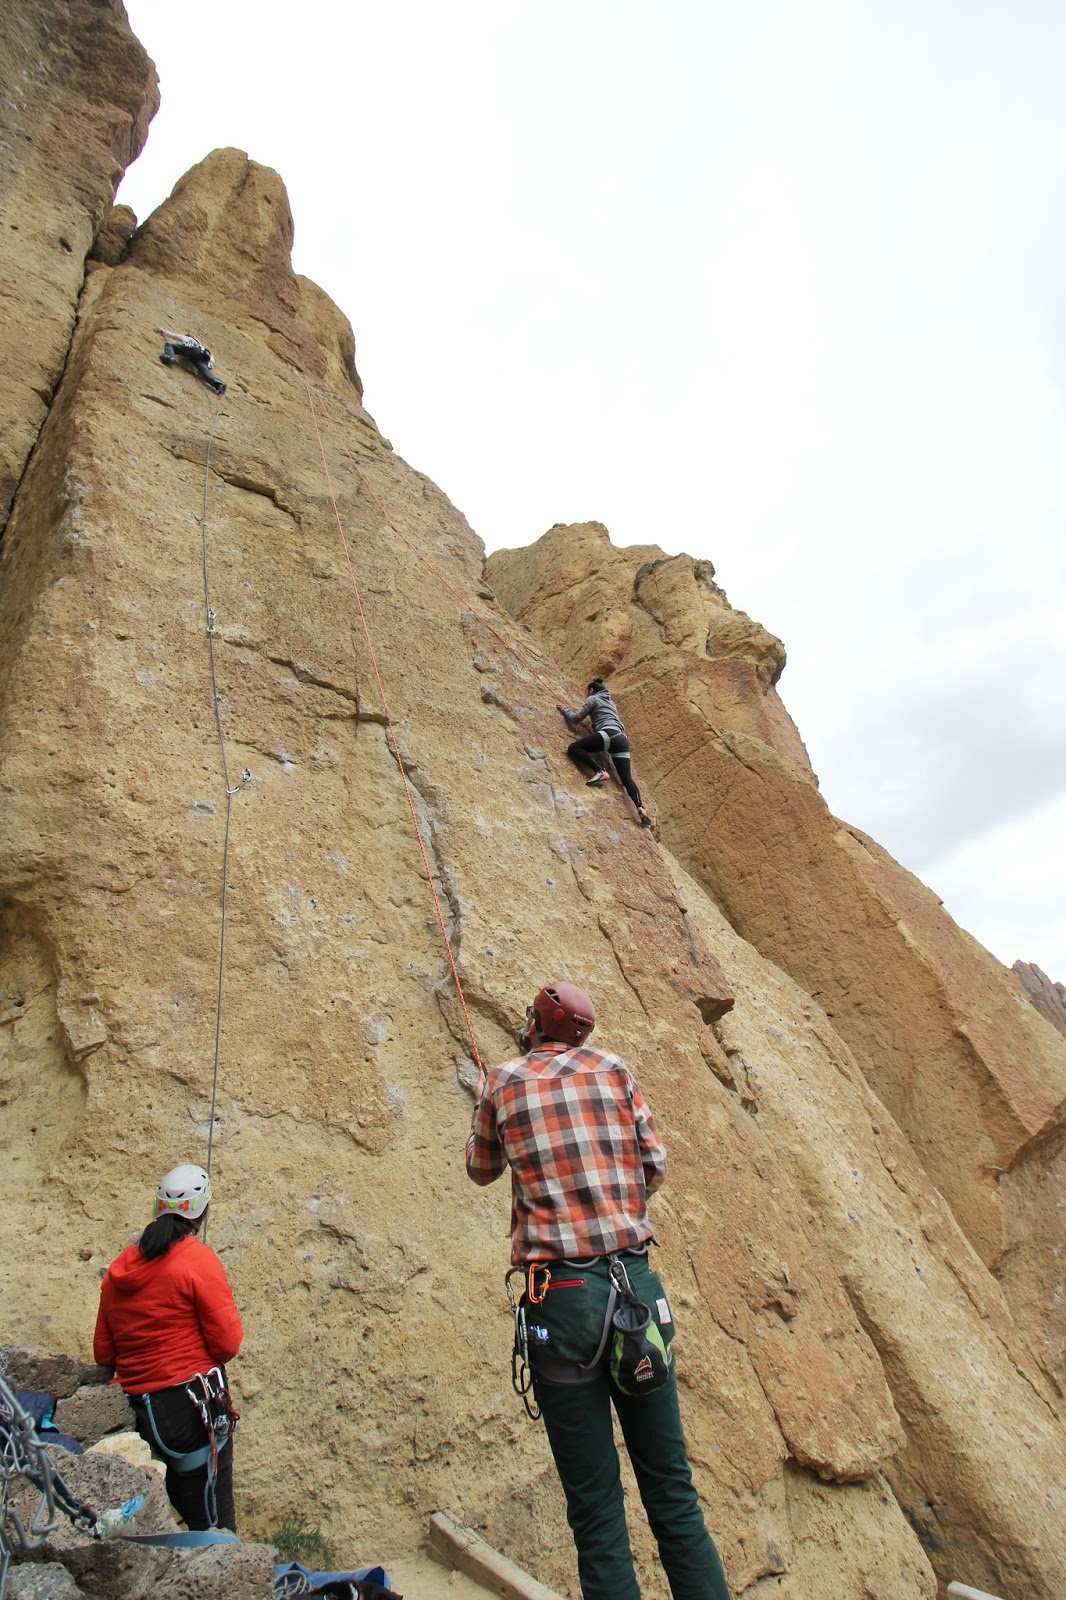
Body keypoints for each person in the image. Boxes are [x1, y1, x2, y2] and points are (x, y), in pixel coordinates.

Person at [466, 983, 731, 1600]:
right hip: (635, 1287)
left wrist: (493, 1109)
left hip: (561, 1299)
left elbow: (481, 1171)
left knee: (595, 1509)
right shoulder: (614, 1069)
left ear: (536, 1022)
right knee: (672, 1491)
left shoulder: (502, 1081)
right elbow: (655, 1167)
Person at [93, 1164, 243, 1532]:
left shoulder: (119, 1269)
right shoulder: (196, 1259)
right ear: (202, 1212)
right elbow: (227, 1343)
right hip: (190, 1411)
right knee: (215, 1529)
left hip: (140, 1417)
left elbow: (104, 1355)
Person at [557, 678, 651, 827]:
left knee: (574, 748)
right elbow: (604, 717)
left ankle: (599, 771)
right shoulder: (611, 703)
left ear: (591, 690)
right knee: (627, 779)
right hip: (621, 739)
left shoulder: (592, 699)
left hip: (608, 735)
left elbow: (576, 719)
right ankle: (640, 807)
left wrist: (564, 709)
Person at [158, 329, 227, 396]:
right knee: (205, 373)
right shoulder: (201, 346)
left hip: (190, 349)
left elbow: (175, 336)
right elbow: (211, 360)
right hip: (199, 356)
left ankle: (169, 356)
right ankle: (219, 385)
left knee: (170, 345)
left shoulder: (188, 338)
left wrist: (164, 331)